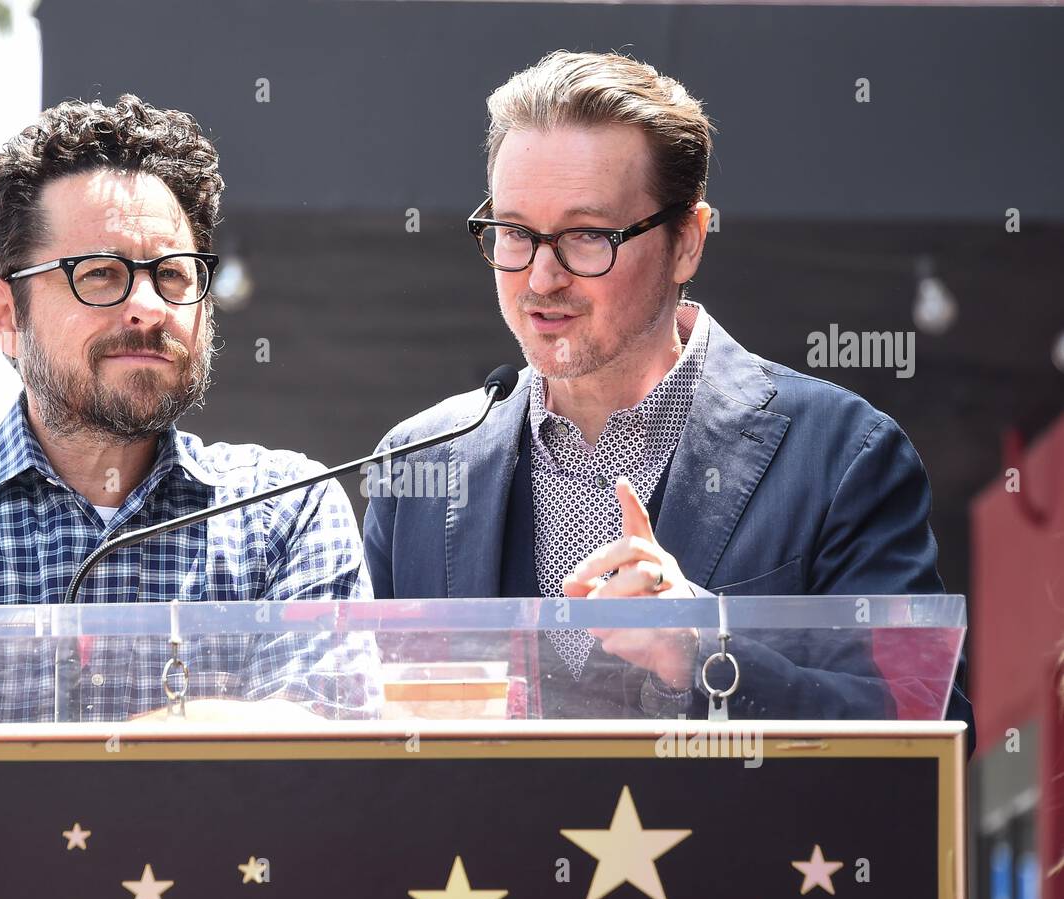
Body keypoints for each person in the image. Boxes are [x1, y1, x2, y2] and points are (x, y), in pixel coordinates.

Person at [0, 94, 371, 899]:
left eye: (174, 274)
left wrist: (20, 758)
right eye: (101, 275)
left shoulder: (287, 507)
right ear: (2, 313)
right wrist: (213, 731)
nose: (147, 305)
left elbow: (323, 763)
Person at [363, 50, 975, 744]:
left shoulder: (843, 457)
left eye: (586, 236)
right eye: (514, 232)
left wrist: (708, 650)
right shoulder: (417, 469)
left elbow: (931, 736)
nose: (541, 276)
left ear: (686, 241)